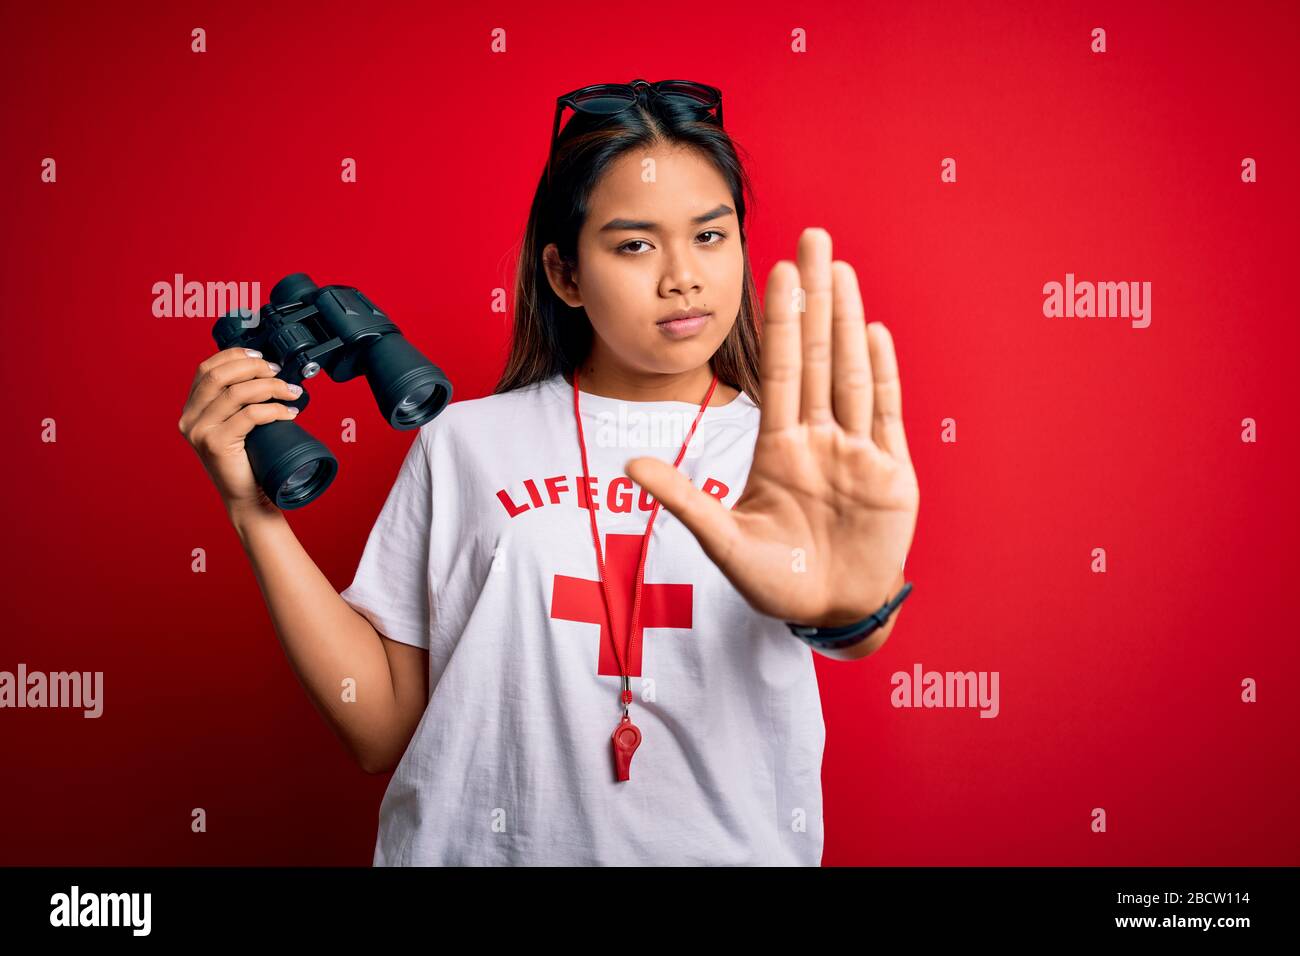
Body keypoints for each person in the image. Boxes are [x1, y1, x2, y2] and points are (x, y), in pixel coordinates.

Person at [178, 78, 919, 866]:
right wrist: (252, 509)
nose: (683, 277)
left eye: (711, 235)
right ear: (564, 274)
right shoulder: (464, 443)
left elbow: (849, 621)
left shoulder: (788, 456)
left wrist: (850, 610)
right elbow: (378, 728)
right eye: (635, 244)